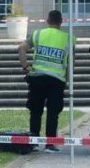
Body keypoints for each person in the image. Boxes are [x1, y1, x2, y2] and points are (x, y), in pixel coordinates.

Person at [17, 10, 71, 153]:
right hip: (57, 81)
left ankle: (33, 142)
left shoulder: (38, 34)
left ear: (48, 21)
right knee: (53, 113)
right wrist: (68, 80)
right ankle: (50, 144)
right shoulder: (68, 38)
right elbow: (71, 62)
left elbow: (21, 48)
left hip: (37, 78)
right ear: (61, 21)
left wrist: (25, 66)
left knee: (35, 111)